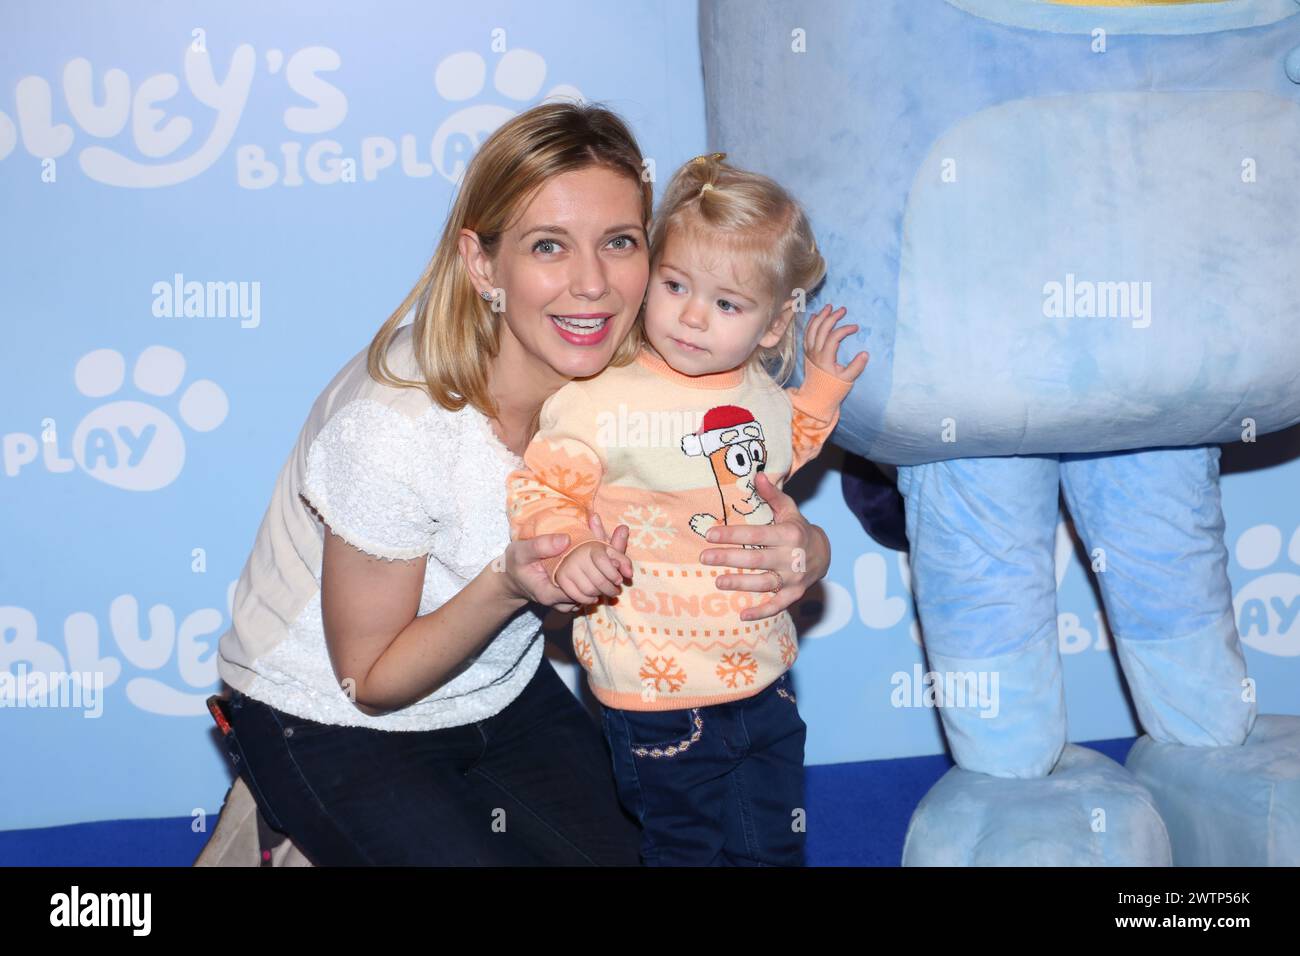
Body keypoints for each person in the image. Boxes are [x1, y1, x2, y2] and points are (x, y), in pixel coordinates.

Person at [206, 103, 837, 866]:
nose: (593, 285)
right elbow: (367, 678)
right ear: (482, 264)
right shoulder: (394, 427)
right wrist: (511, 582)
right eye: (548, 246)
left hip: (499, 688)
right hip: (328, 713)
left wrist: (808, 548)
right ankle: (280, 829)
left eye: (619, 243)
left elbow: (738, 480)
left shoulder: (649, 362)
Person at [506, 153, 868, 865]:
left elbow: (780, 451)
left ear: (772, 325)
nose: (693, 317)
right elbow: (543, 489)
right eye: (675, 286)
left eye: (727, 304)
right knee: (683, 853)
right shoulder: (600, 400)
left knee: (772, 846)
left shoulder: (760, 390)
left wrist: (821, 390)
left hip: (764, 680)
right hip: (655, 694)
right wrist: (571, 548)